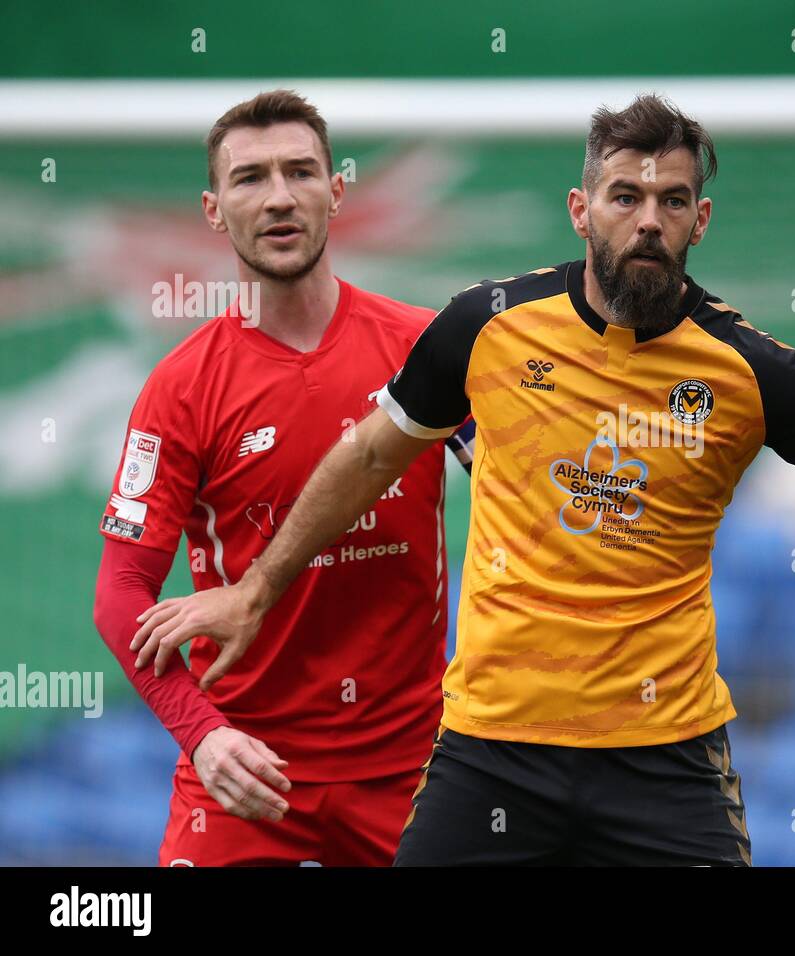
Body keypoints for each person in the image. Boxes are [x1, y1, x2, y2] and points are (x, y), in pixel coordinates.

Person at [132, 93, 795, 866]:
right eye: (624, 196)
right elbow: (370, 455)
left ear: (699, 221)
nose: (647, 220)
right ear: (581, 209)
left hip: (664, 756)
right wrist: (257, 589)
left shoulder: (747, 369)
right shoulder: (487, 327)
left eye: (672, 201)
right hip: (493, 751)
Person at [93, 89, 473, 866]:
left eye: (300, 171)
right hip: (245, 769)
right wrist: (203, 737)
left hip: (416, 768)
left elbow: (529, 503)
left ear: (337, 193)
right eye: (249, 178)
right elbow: (121, 594)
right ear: (212, 208)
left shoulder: (427, 349)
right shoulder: (181, 388)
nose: (278, 197)